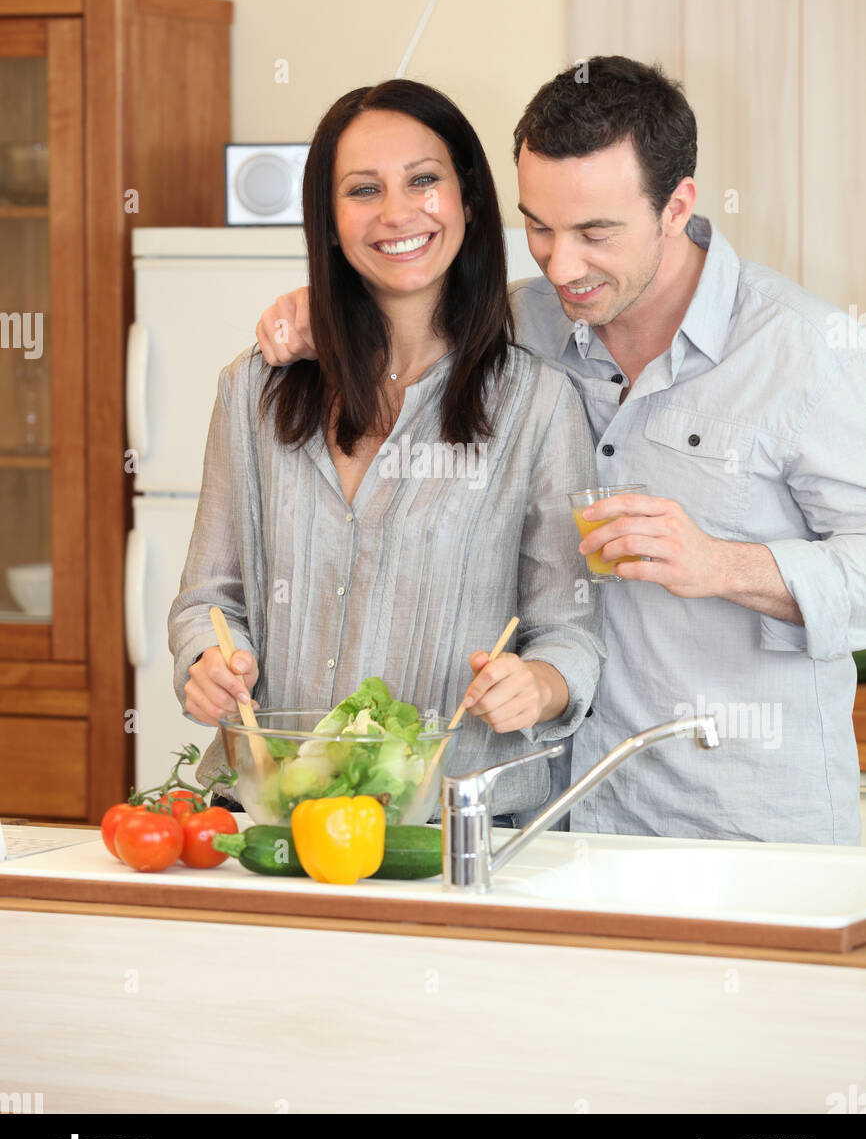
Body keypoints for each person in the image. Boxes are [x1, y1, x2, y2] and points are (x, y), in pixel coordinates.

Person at [255, 57, 866, 845]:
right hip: (558, 822)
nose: (561, 265)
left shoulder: (808, 352)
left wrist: (725, 564)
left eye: (595, 233)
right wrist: (327, 314)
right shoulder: (524, 325)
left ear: (676, 206)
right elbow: (402, 322)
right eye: (538, 227)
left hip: (744, 828)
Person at [168, 78, 604, 823]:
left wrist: (539, 683)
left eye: (424, 181)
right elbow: (208, 599)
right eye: (363, 189)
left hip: (453, 828)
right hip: (271, 818)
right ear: (330, 221)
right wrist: (203, 663)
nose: (398, 213)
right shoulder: (253, 390)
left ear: (467, 198)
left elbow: (570, 628)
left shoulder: (537, 406)